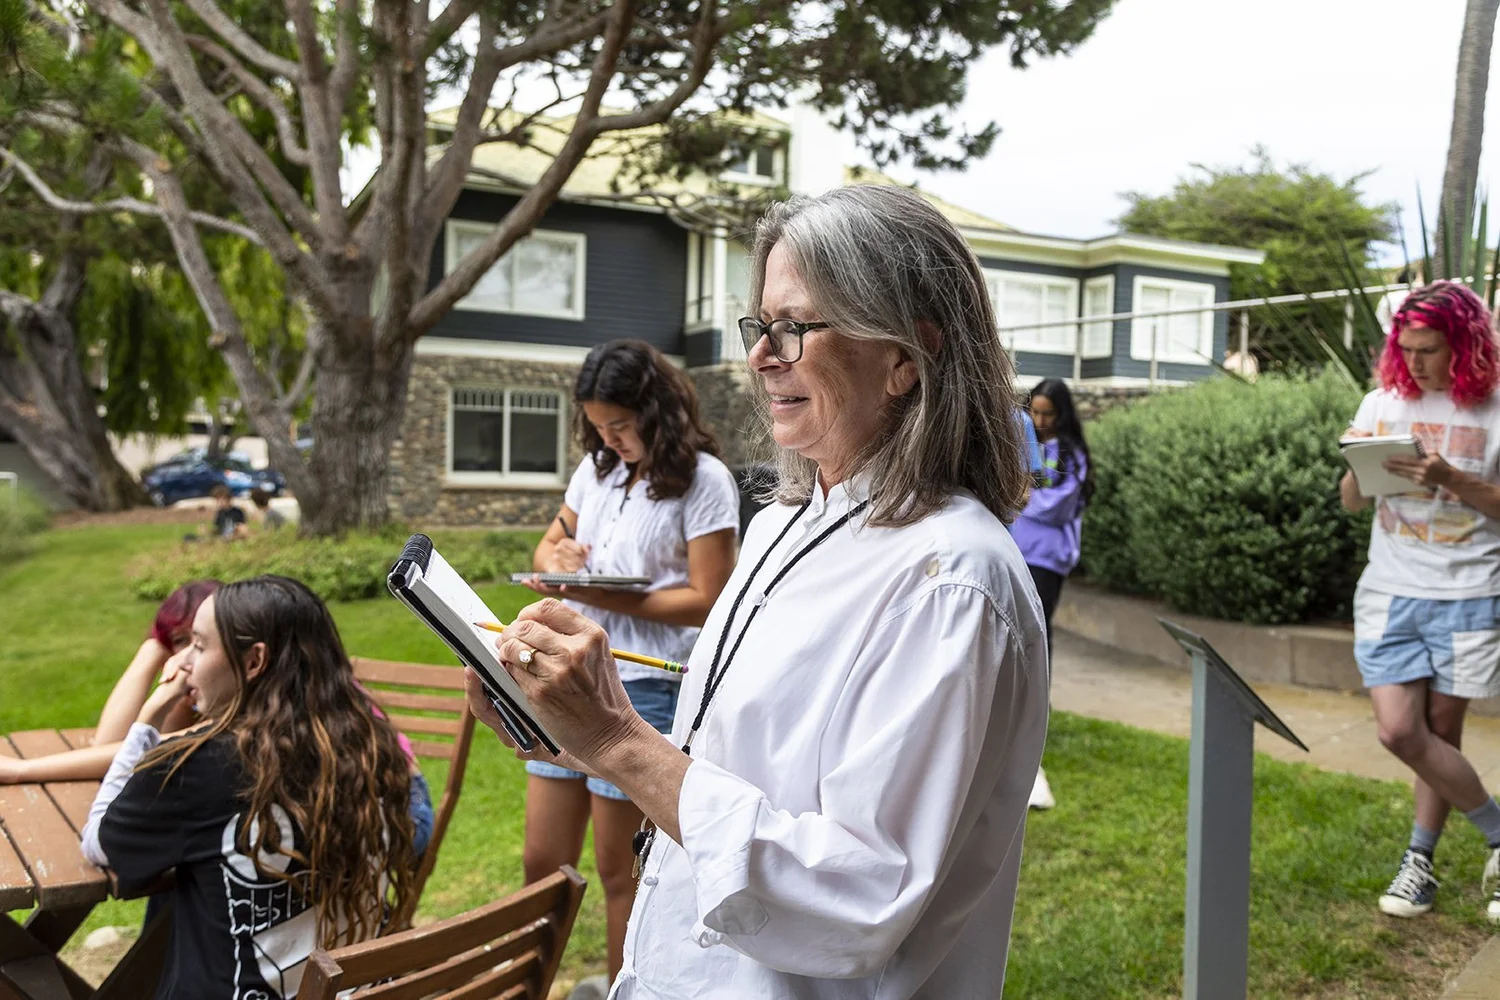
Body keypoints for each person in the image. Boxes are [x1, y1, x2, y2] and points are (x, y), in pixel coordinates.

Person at [468, 185, 1050, 997]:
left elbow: (857, 896)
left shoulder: (949, 582)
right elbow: (723, 764)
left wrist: (618, 747)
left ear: (906, 356)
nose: (760, 356)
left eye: (795, 327)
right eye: (760, 327)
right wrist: (570, 721)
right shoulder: (786, 522)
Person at [520, 338, 740, 988]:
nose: (610, 438)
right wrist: (556, 562)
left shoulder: (705, 481)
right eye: (598, 427)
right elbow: (549, 542)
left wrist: (598, 592)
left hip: (643, 687)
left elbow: (710, 598)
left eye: (619, 424)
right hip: (566, 680)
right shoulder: (596, 474)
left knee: (624, 874)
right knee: (542, 862)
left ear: (657, 408)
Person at [81, 575, 418, 998]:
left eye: (199, 646)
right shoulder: (369, 744)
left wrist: (148, 717)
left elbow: (100, 844)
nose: (185, 663)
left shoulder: (199, 766)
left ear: (254, 661)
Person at [1339, 280, 1500, 923]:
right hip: (1390, 589)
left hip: (1467, 589)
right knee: (1399, 731)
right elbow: (1352, 501)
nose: (1415, 363)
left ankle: (1419, 862)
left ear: (1463, 345)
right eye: (1406, 349)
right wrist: (1361, 467)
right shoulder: (1383, 402)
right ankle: (1496, 833)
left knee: (1441, 732)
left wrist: (1448, 478)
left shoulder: (1492, 411)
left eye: (1430, 349)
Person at [0, 581, 219, 785]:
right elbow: (109, 743)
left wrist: (21, 770)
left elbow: (136, 754)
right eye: (180, 641)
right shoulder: (190, 702)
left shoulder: (235, 714)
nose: (187, 657)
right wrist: (151, 651)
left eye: (200, 643)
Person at [1012, 378, 1094, 812]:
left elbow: (1055, 506)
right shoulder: (1025, 439)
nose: (1041, 421)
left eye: (1050, 413)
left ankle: (1033, 720)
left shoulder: (1070, 454)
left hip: (1046, 561)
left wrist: (1018, 498)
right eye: (1036, 412)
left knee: (1038, 641)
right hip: (1016, 552)